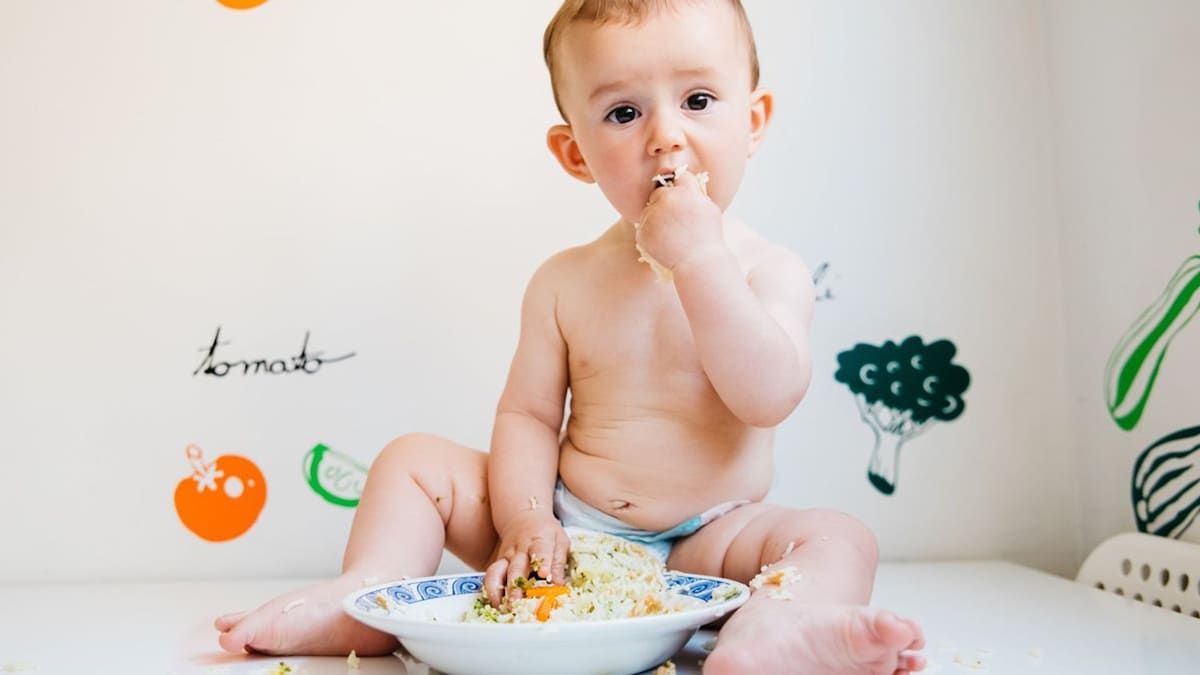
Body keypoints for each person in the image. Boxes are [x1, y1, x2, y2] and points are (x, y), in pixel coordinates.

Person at [215, 1, 926, 672]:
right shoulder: (565, 280)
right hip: (564, 522)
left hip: (707, 542)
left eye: (699, 101)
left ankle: (770, 629)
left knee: (840, 538)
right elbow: (526, 415)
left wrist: (701, 262)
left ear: (755, 120)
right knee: (413, 461)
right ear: (576, 154)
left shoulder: (771, 270)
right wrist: (527, 516)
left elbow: (767, 395)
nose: (666, 136)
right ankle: (369, 593)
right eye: (623, 112)